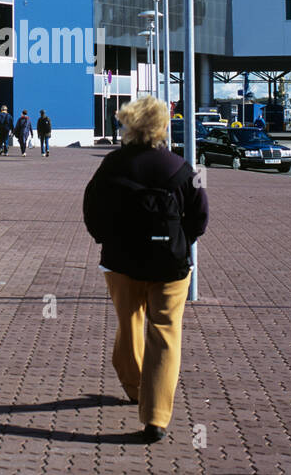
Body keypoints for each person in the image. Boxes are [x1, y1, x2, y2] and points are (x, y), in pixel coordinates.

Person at [82, 96, 209, 444]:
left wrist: (104, 239)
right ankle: (155, 417)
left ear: (128, 124)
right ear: (162, 127)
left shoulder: (111, 165)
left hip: (121, 262)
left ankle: (134, 386)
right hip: (170, 263)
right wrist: (180, 241)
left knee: (130, 322)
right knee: (166, 332)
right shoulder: (182, 168)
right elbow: (200, 216)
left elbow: (91, 207)